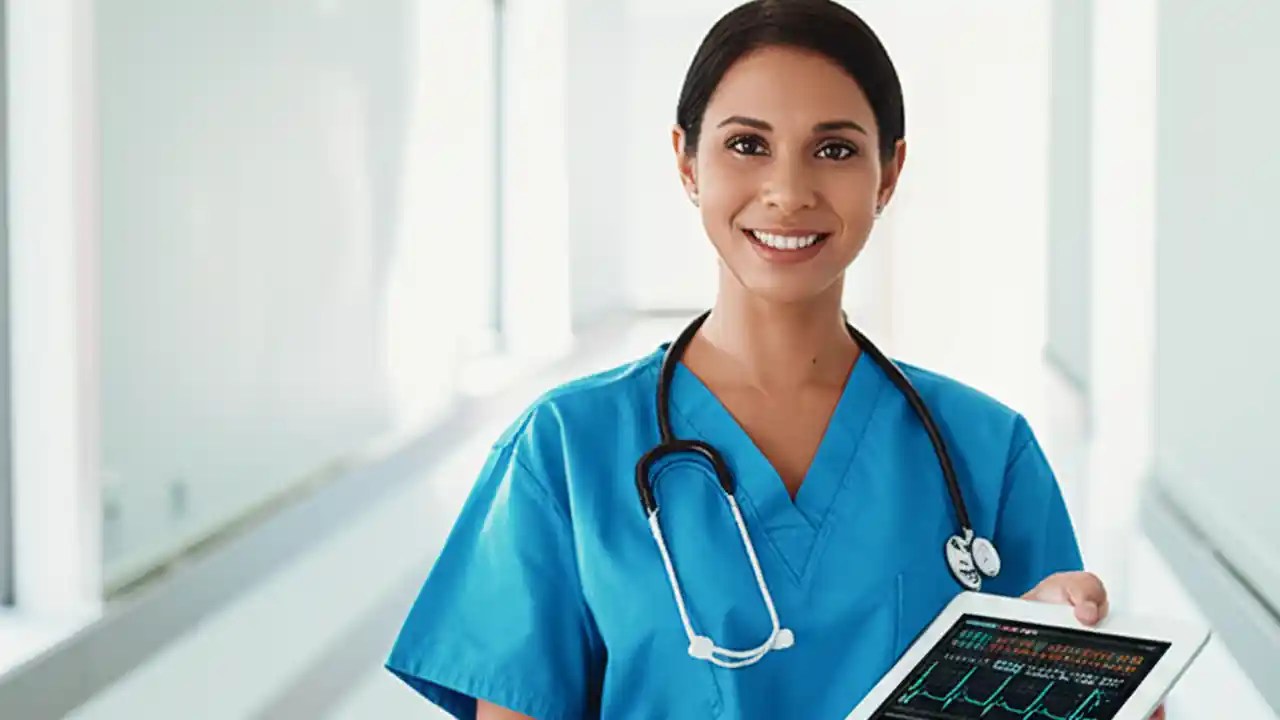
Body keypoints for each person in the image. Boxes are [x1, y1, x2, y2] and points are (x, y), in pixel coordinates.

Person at [387, 1, 1161, 718]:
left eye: (834, 149)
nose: (788, 191)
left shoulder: (988, 453)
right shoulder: (563, 449)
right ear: (687, 162)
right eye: (747, 145)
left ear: (888, 173)